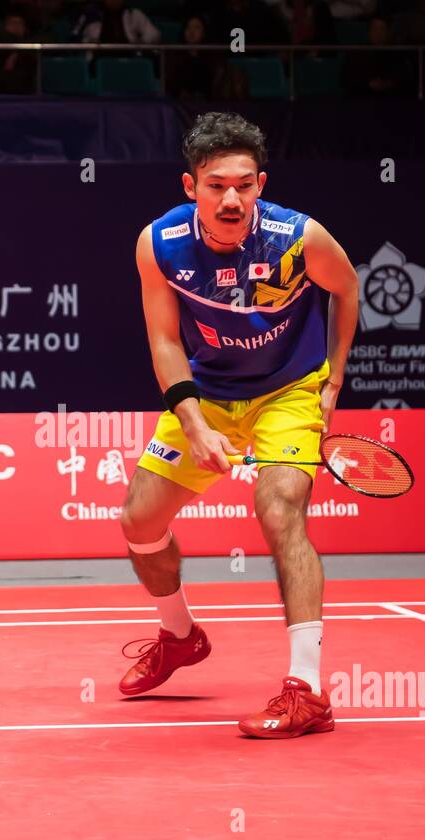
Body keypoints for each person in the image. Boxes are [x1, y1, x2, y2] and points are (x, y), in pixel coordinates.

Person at [120, 112, 358, 739]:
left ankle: (307, 691)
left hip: (290, 389)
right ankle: (179, 637)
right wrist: (194, 424)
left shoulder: (298, 237)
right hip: (212, 391)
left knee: (280, 510)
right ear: (189, 186)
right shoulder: (160, 244)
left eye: (245, 184)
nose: (232, 198)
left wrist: (332, 381)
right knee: (139, 523)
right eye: (216, 184)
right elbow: (164, 341)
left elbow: (348, 289)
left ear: (261, 184)